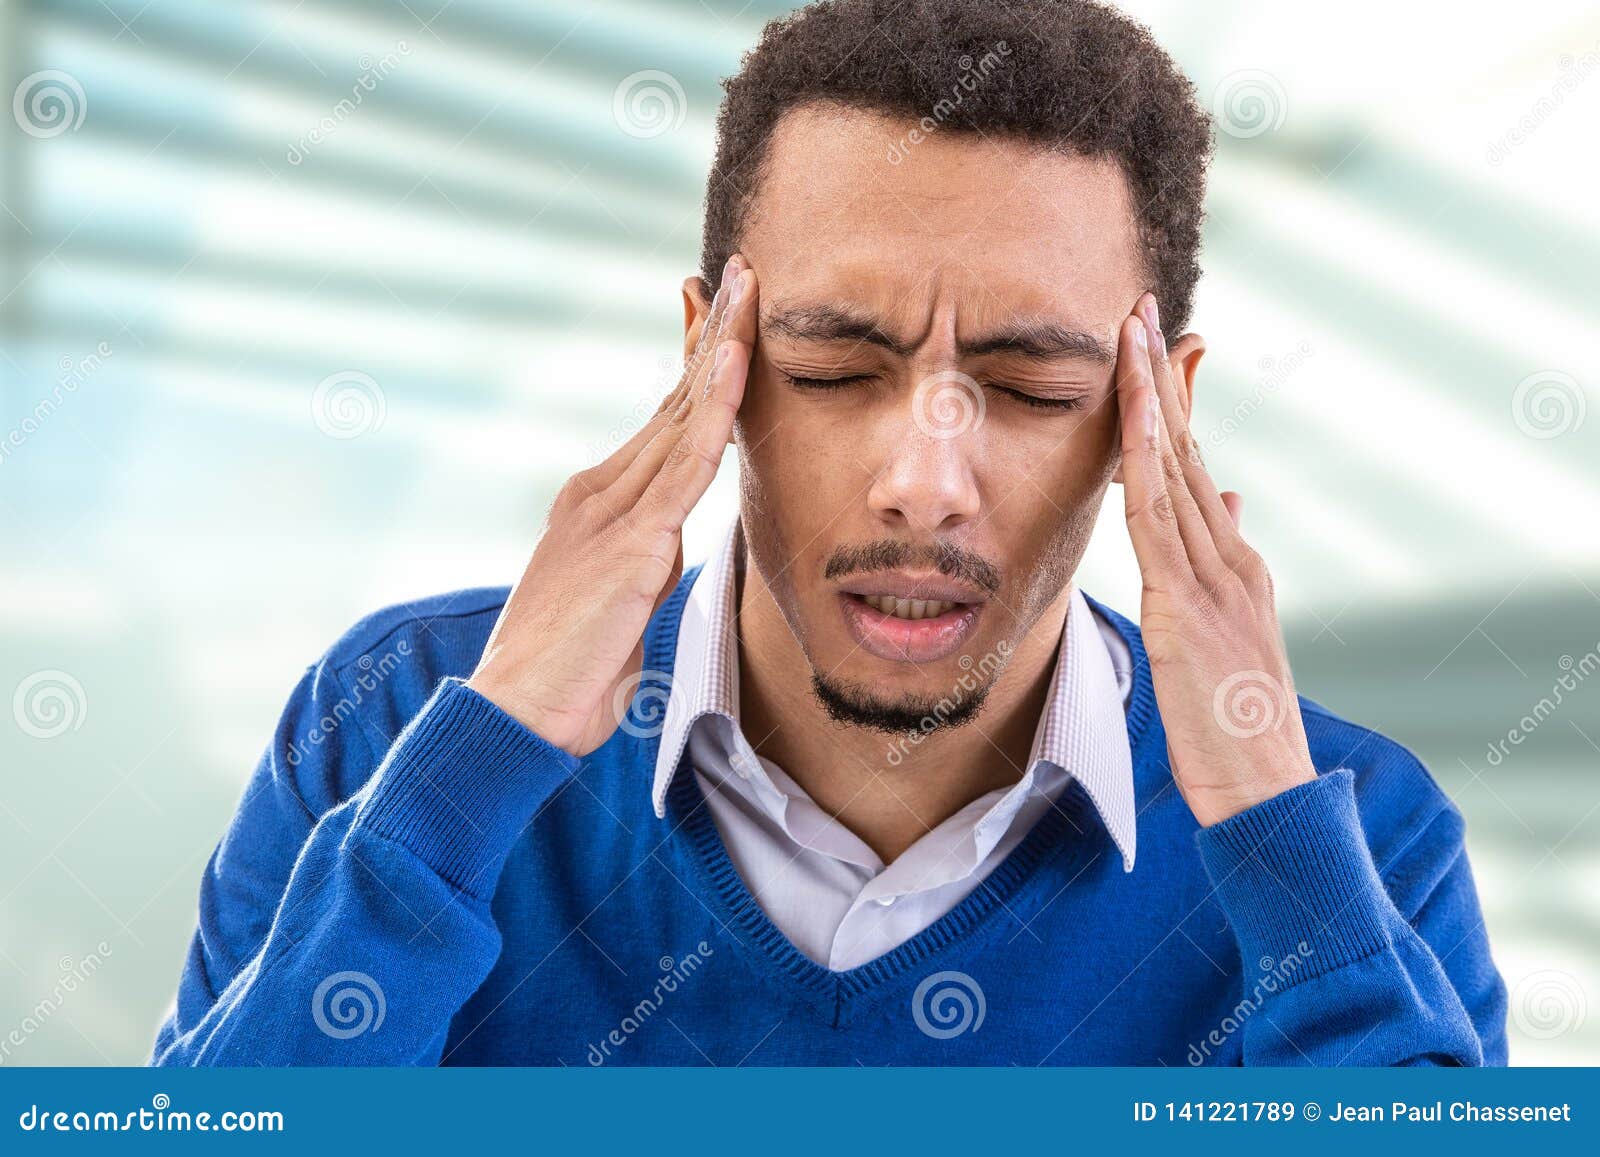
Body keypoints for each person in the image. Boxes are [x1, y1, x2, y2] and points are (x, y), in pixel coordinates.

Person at [152, 0, 1506, 1065]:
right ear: (710, 361)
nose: (926, 482)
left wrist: (1274, 830)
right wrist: (477, 767)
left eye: (1034, 386)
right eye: (832, 366)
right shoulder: (393, 724)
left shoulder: (1357, 839)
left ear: (1156, 411)